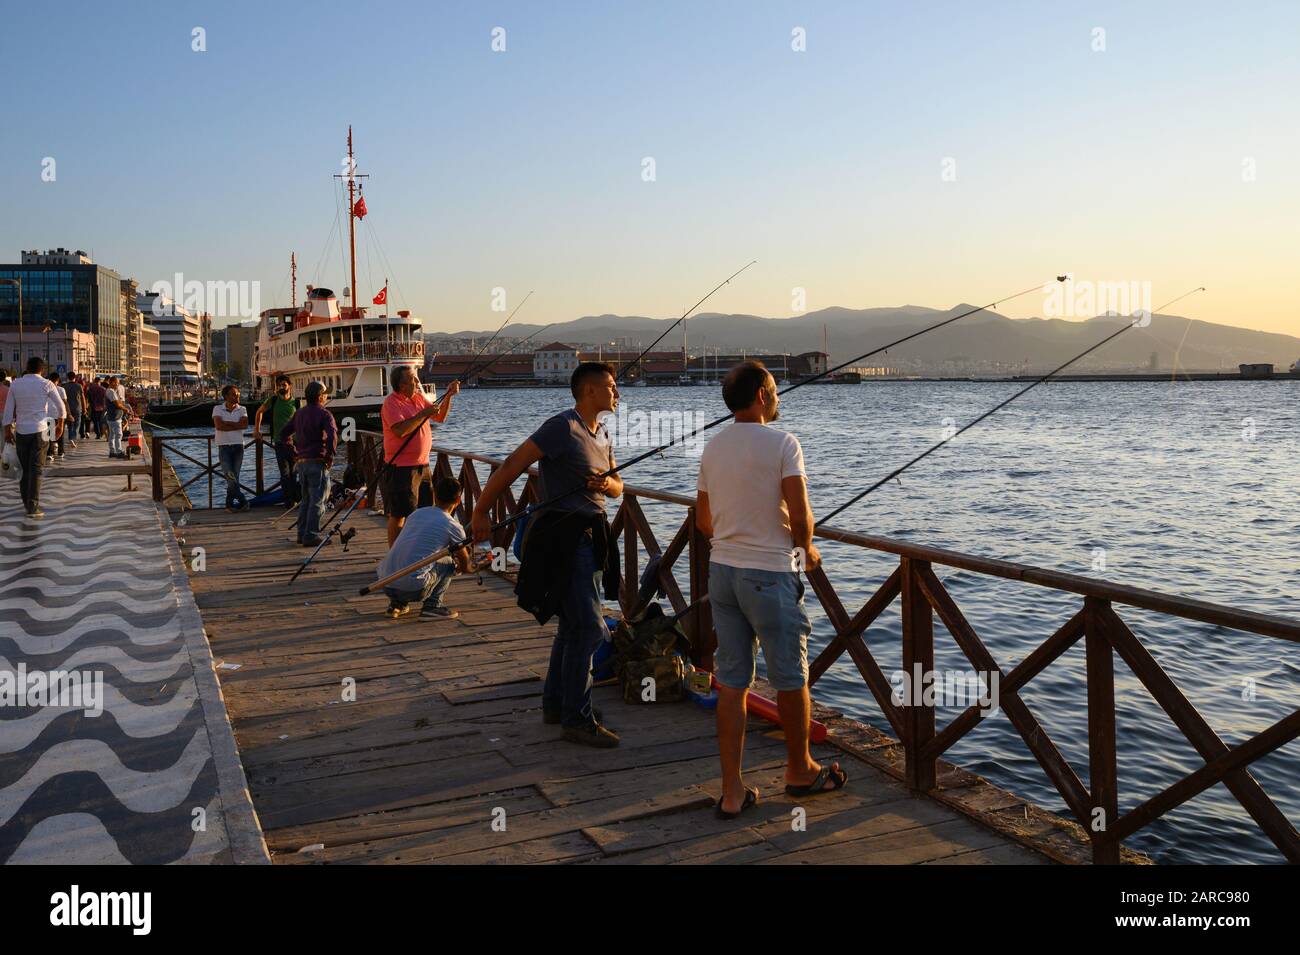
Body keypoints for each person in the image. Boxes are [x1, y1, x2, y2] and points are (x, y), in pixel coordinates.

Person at [695, 361, 847, 819]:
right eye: (775, 390)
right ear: (761, 396)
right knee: (790, 676)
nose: (778, 397)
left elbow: (703, 522)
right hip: (770, 574)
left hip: (722, 571)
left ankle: (732, 791)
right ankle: (799, 771)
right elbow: (801, 515)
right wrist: (806, 549)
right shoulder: (784, 442)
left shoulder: (713, 446)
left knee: (733, 682)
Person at [471, 361, 623, 748]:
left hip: (593, 537)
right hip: (564, 538)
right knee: (589, 628)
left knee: (572, 626)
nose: (617, 392)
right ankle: (577, 718)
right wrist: (481, 511)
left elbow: (620, 487)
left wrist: (606, 484)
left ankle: (557, 704)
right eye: (610, 386)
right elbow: (512, 465)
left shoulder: (602, 432)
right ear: (589, 391)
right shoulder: (562, 427)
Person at [380, 366, 459, 546]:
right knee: (399, 514)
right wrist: (423, 414)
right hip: (401, 467)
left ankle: (416, 551)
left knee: (423, 512)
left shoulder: (417, 398)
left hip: (423, 466)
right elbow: (400, 430)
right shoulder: (391, 403)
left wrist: (448, 395)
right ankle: (395, 555)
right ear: (401, 385)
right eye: (413, 379)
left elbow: (440, 417)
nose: (417, 382)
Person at [376, 477, 474, 619]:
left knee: (412, 555)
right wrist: (468, 567)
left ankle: (397, 604)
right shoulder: (453, 525)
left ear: (434, 494)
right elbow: (464, 561)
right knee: (448, 563)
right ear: (458, 500)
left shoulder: (416, 514)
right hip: (413, 588)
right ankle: (433, 606)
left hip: (386, 583)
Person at [2, 356, 66, 519]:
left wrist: (7, 430)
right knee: (36, 468)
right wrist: (60, 425)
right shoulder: (46, 383)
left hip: (22, 430)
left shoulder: (16, 384)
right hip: (41, 429)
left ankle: (27, 503)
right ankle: (33, 506)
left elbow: (9, 410)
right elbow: (61, 407)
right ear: (42, 369)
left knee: (24, 468)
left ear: (26, 367)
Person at [279, 380, 337, 547]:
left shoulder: (299, 413)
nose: (326, 397)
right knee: (318, 500)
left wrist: (294, 453)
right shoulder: (325, 414)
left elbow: (284, 434)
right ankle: (311, 535)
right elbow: (333, 436)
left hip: (302, 463)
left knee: (306, 500)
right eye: (325, 394)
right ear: (320, 397)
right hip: (317, 462)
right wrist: (330, 456)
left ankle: (302, 533)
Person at [254, 375, 300, 507]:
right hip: (279, 442)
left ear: (289, 386)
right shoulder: (273, 400)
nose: (281, 387)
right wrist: (257, 429)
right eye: (279, 385)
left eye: (284, 385)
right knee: (284, 473)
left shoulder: (296, 403)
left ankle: (294, 498)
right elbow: (259, 412)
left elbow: (302, 421)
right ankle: (289, 501)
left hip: (295, 443)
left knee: (294, 473)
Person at [213, 384, 249, 511]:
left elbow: (244, 425)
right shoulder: (217, 409)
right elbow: (219, 426)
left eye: (237, 393)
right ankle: (244, 501)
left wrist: (227, 423)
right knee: (230, 476)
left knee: (234, 477)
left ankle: (229, 504)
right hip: (224, 447)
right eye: (234, 394)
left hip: (238, 446)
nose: (237, 395)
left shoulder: (242, 409)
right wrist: (236, 425)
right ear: (226, 396)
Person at [103, 376, 128, 458]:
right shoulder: (111, 392)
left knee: (112, 435)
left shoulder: (111, 391)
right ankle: (119, 451)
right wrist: (125, 409)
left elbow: (118, 402)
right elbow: (117, 404)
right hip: (114, 417)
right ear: (112, 382)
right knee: (118, 434)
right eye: (117, 383)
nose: (118, 385)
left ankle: (112, 451)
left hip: (113, 416)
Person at [46, 372, 68, 462]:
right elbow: (65, 402)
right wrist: (68, 413)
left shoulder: (45, 388)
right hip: (59, 414)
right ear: (58, 380)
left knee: (50, 434)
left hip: (48, 414)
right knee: (60, 433)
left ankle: (50, 453)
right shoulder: (61, 389)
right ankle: (61, 451)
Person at [62, 373, 83, 450]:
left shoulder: (64, 386)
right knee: (77, 424)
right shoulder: (79, 386)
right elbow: (82, 398)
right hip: (77, 408)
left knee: (70, 424)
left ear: (67, 377)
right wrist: (84, 408)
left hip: (68, 409)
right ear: (75, 377)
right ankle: (73, 437)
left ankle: (71, 437)